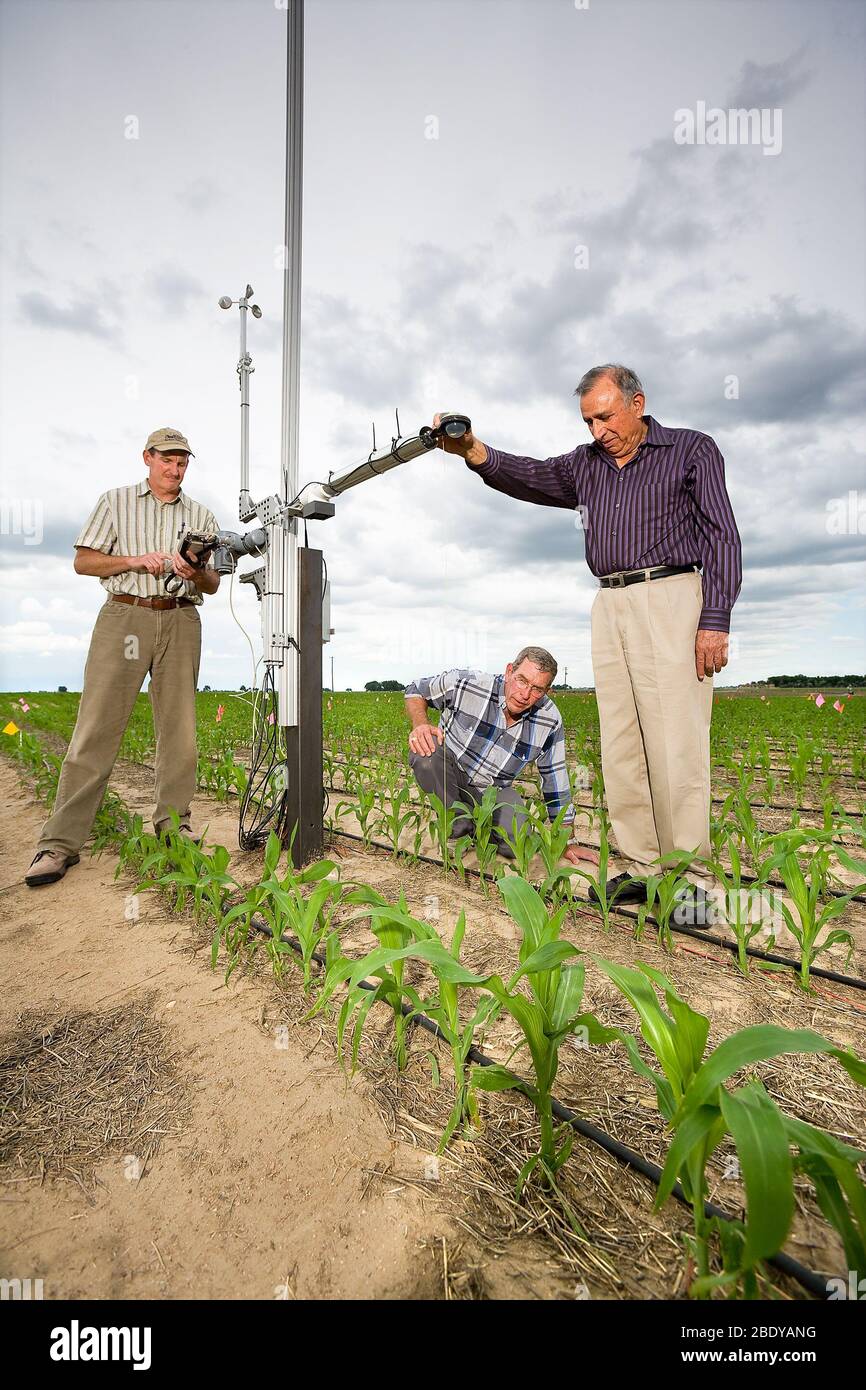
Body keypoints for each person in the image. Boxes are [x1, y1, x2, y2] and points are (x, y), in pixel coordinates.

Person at [430, 366, 742, 903]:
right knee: (622, 742)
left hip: (670, 596)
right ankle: (643, 866)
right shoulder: (586, 465)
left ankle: (690, 878)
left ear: (637, 403)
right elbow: (529, 474)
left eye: (605, 416)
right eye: (588, 420)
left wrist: (715, 618)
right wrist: (474, 451)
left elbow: (721, 534)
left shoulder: (691, 450)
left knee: (676, 742)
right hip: (609, 601)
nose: (597, 430)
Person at [25, 428, 220, 887]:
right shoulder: (114, 501)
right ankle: (59, 844)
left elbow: (212, 583)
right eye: (167, 460)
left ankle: (174, 827)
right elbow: (84, 561)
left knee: (180, 731)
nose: (175, 469)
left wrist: (196, 571)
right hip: (125, 616)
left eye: (183, 462)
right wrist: (134, 561)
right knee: (96, 727)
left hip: (180, 618)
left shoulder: (201, 514)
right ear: (147, 458)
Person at [404, 646, 598, 867]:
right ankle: (456, 828)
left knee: (516, 846)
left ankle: (477, 825)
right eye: (521, 680)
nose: (525, 695)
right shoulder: (466, 684)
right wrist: (420, 724)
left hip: (493, 791)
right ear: (508, 671)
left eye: (537, 689)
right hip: (452, 777)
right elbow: (416, 690)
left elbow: (555, 778)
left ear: (547, 691)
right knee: (426, 756)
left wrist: (568, 840)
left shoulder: (549, 720)